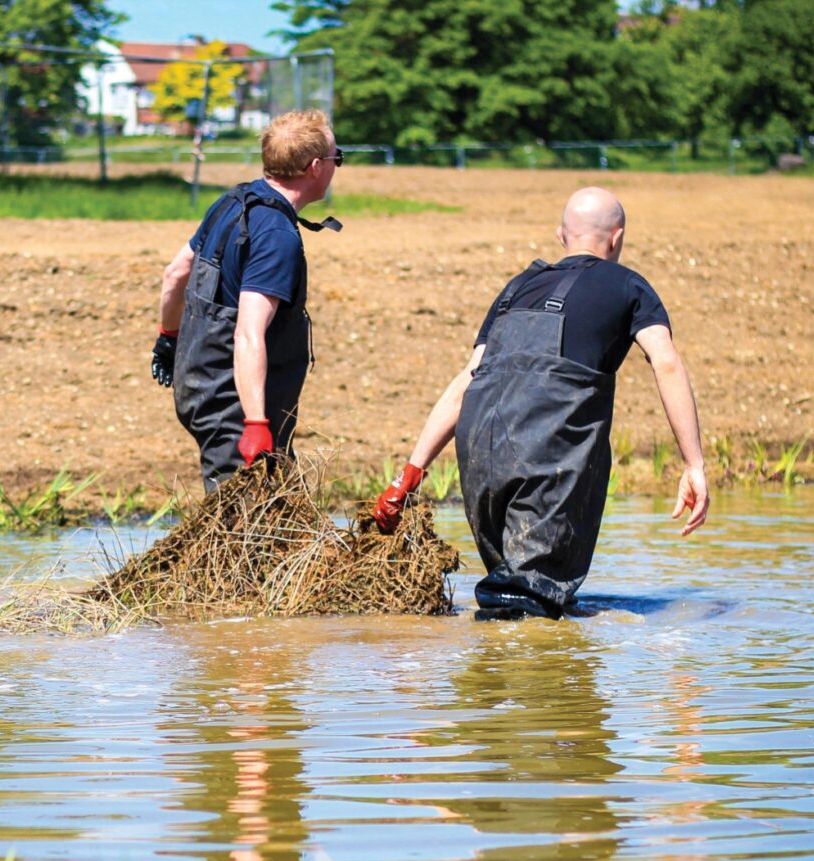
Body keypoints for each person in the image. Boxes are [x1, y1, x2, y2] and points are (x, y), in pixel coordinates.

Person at [373, 187, 709, 620]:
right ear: (617, 237)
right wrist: (693, 464)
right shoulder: (629, 285)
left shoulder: (518, 288)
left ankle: (496, 675)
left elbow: (467, 381)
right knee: (526, 604)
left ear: (560, 236)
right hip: (547, 450)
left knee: (520, 588)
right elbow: (665, 363)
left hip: (480, 454)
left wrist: (410, 474)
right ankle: (533, 676)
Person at [150, 109, 343, 491]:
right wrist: (255, 424)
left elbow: (175, 274)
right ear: (316, 167)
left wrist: (168, 340)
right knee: (243, 521)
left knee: (270, 514)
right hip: (233, 404)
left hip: (199, 385)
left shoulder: (235, 201)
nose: (338, 167)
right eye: (338, 158)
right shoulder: (276, 234)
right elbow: (249, 333)